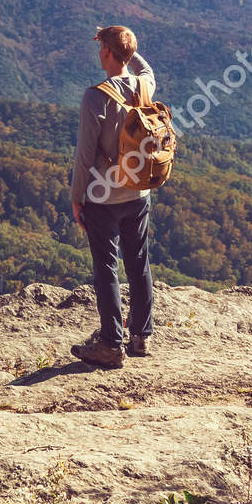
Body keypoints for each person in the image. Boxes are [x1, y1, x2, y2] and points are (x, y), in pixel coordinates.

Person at [70, 25, 157, 368]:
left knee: (106, 268)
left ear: (105, 52)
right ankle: (141, 337)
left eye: (102, 46)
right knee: (138, 262)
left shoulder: (96, 96)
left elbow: (84, 155)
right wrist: (127, 48)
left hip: (103, 197)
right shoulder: (144, 85)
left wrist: (77, 198)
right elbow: (146, 68)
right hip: (139, 191)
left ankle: (110, 344)